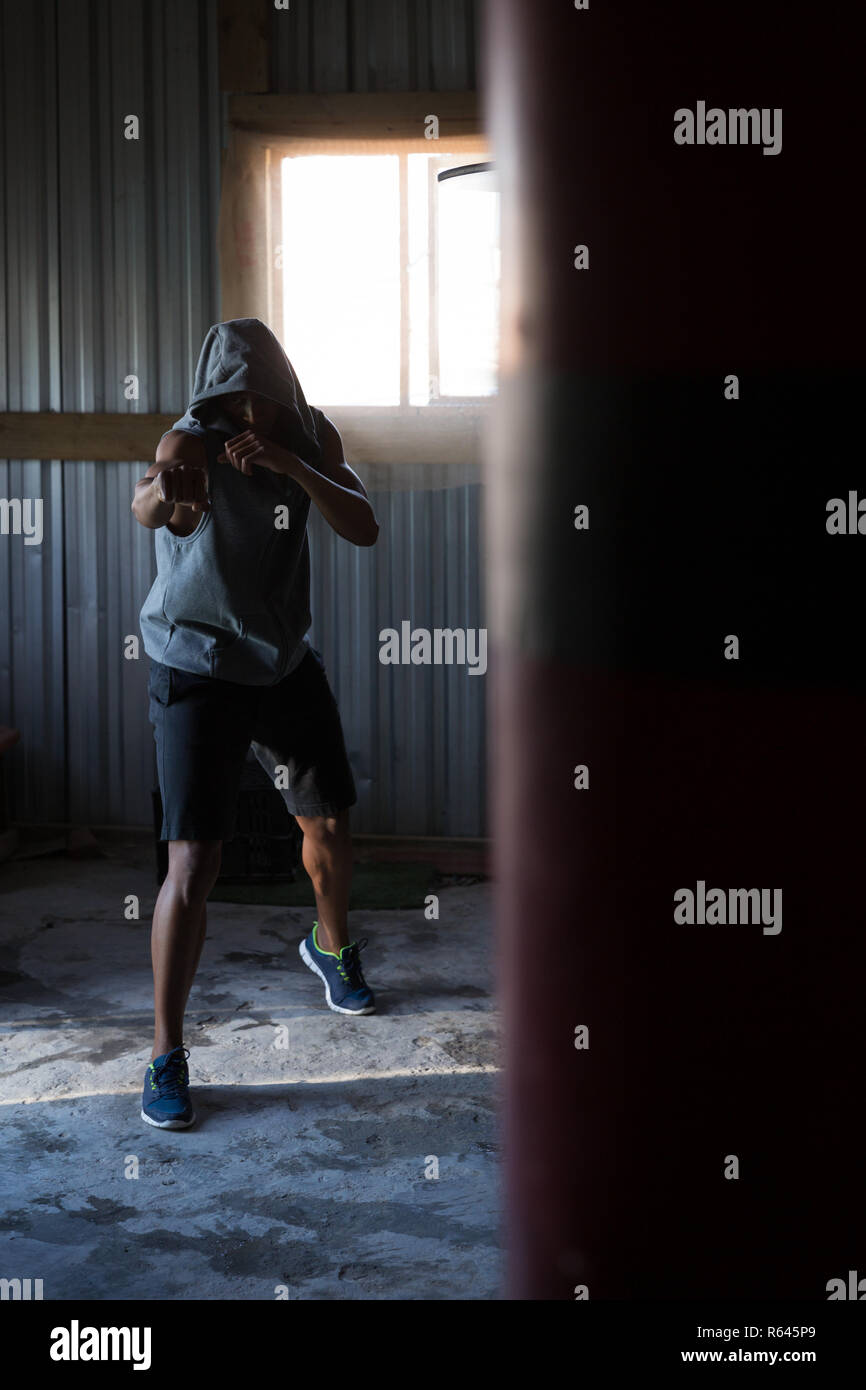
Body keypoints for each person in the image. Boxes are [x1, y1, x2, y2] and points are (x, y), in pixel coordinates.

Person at [131, 317, 379, 1130]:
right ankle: (166, 1053)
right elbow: (146, 504)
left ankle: (330, 946)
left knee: (331, 819)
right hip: (197, 662)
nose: (248, 413)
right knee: (194, 862)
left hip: (277, 656)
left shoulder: (312, 435)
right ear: (213, 395)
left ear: (282, 388)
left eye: (261, 397)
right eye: (232, 398)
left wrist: (295, 464)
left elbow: (362, 525)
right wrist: (165, 497)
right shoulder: (189, 441)